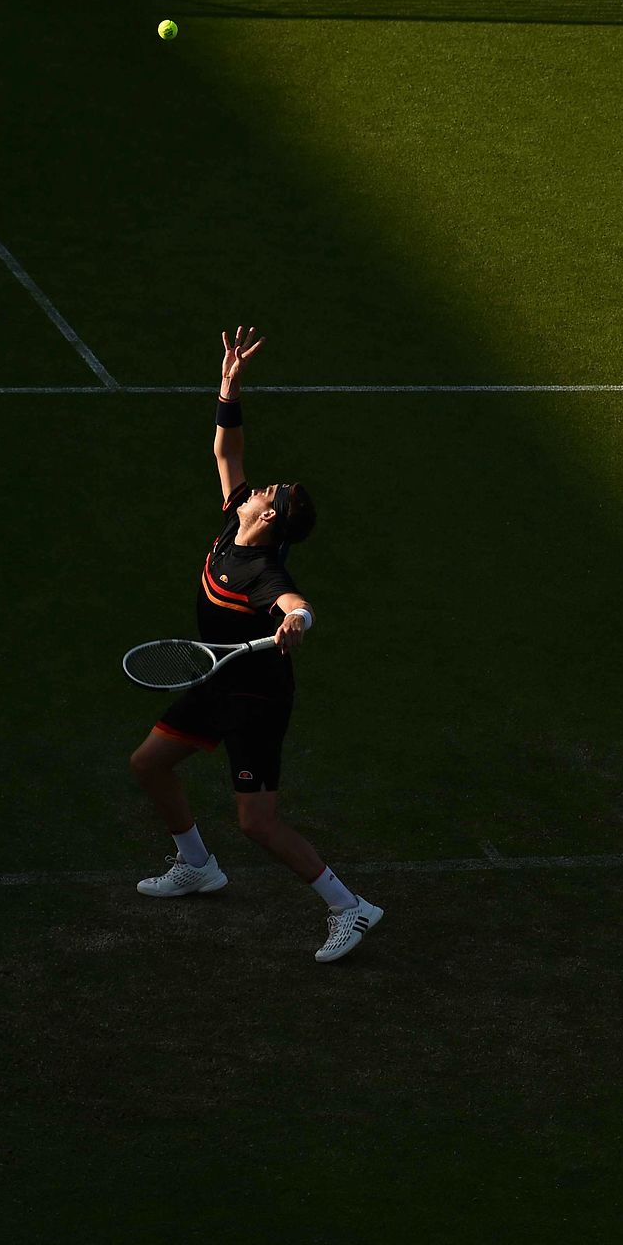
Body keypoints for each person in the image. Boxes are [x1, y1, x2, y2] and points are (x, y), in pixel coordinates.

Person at [127, 326, 383, 963]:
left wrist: (298, 619)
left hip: (257, 698)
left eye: (270, 493)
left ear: (267, 519)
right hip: (218, 679)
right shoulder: (239, 512)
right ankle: (197, 866)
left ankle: (351, 909)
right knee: (149, 764)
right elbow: (227, 450)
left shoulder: (266, 572)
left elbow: (292, 601)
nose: (261, 486)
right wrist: (228, 387)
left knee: (256, 822)